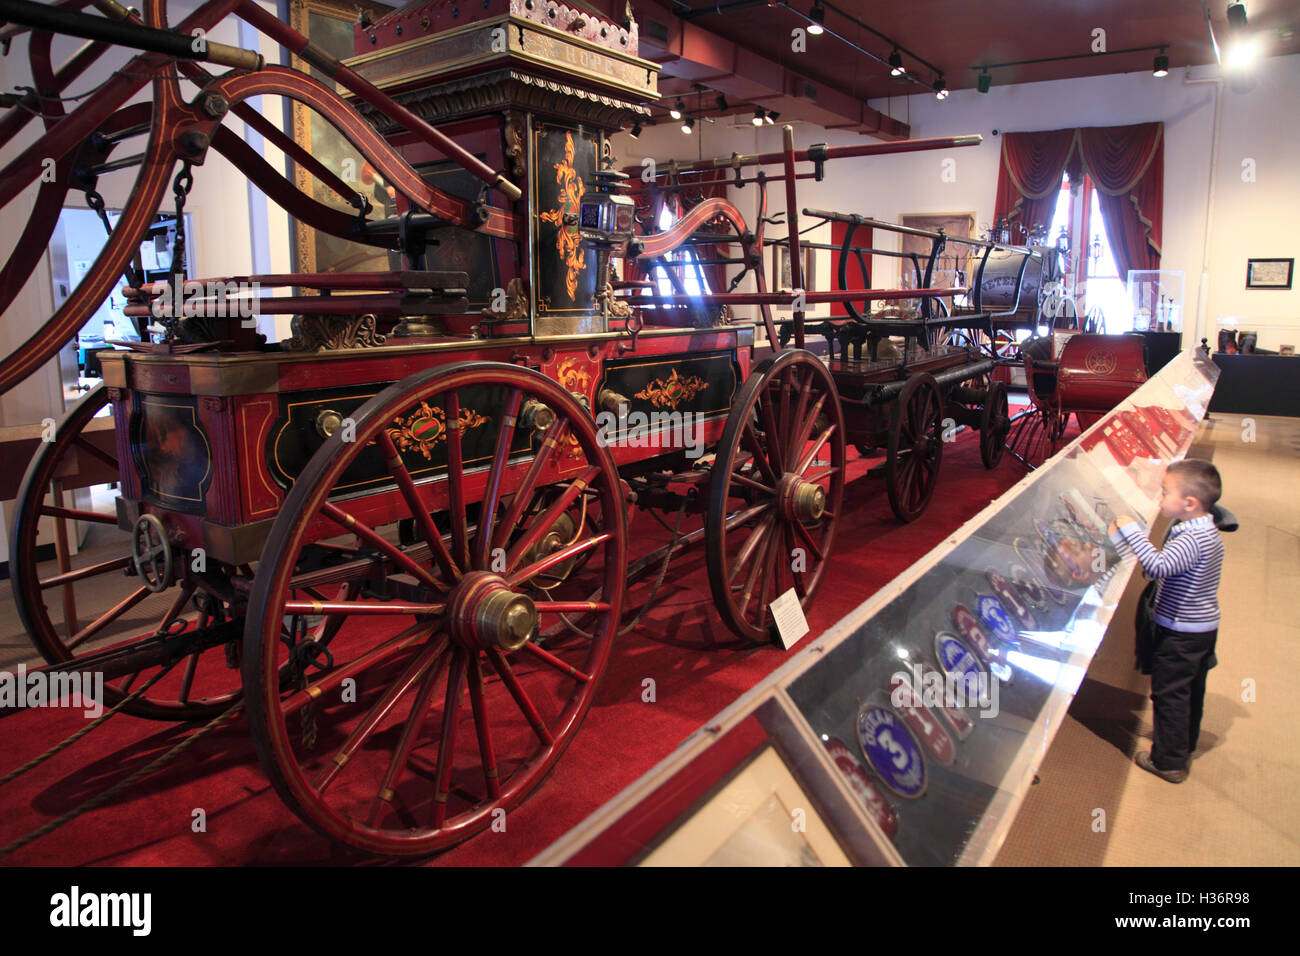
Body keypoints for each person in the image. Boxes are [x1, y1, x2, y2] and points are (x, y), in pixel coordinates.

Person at [1108, 459, 1225, 783]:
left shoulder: (1192, 538)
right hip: (1201, 629)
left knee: (1169, 693)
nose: (1160, 498)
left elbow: (1157, 567)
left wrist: (1130, 530)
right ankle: (1182, 743)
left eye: (1165, 492)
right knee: (1190, 688)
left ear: (1189, 503)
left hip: (1181, 633)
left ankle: (1168, 761)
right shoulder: (1203, 528)